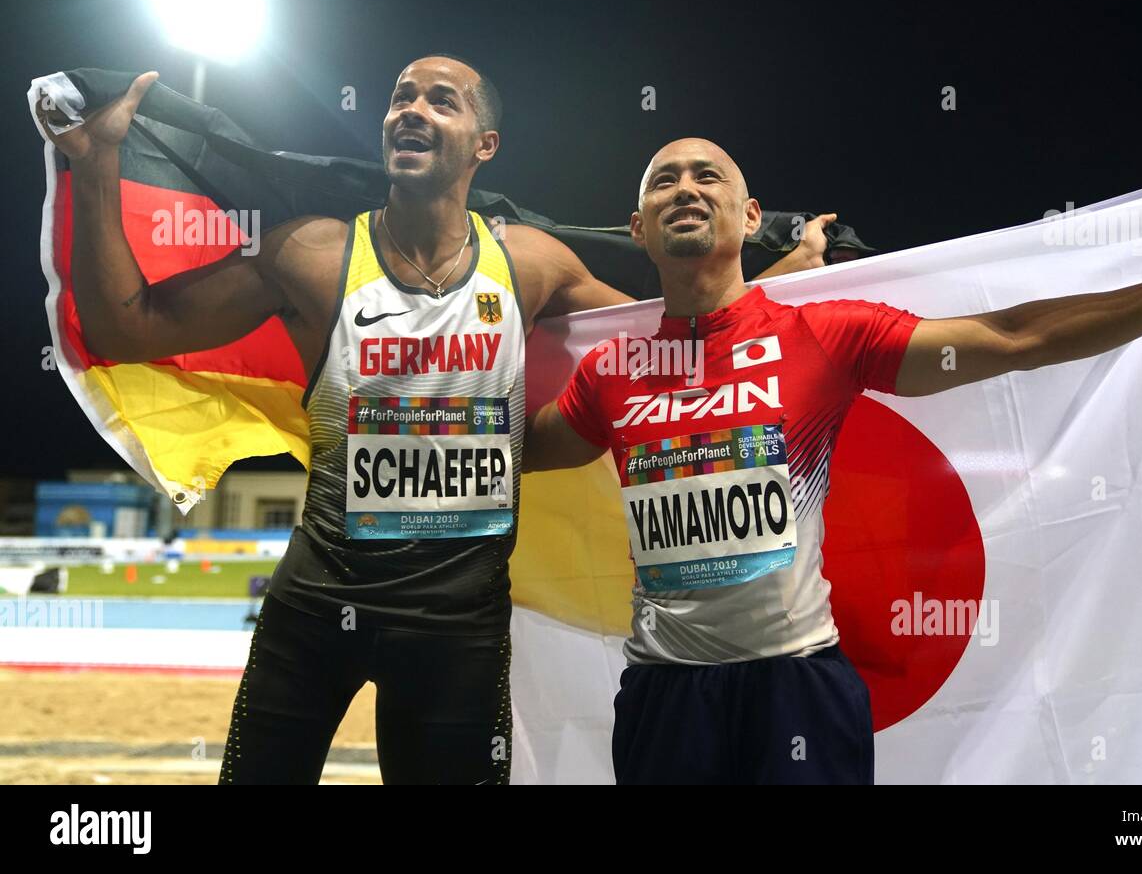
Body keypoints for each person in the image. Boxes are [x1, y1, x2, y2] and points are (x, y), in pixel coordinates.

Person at [33, 60, 825, 785]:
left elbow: (679, 332)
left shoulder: (531, 262)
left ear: (484, 144)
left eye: (439, 101)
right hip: (314, 606)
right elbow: (127, 329)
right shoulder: (313, 254)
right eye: (400, 98)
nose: (410, 110)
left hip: (457, 629)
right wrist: (97, 164)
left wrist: (777, 281)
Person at [524, 137, 1142, 784]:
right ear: (638, 228)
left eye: (707, 175)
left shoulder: (824, 336)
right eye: (664, 180)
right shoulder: (611, 372)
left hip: (799, 691)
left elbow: (1018, 334)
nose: (685, 187)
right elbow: (509, 455)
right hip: (666, 698)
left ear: (750, 217)